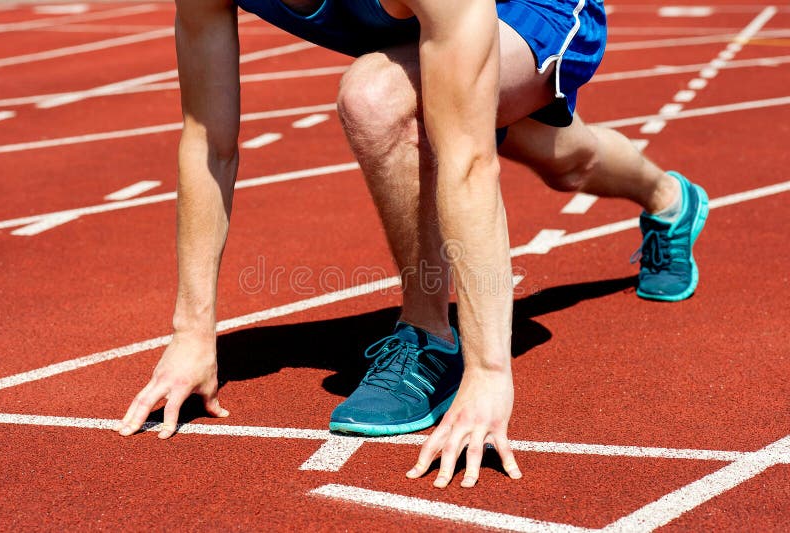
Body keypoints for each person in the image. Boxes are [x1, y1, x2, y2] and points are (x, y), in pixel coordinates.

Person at [116, 0, 709, 491]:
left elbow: (470, 163)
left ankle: (430, 337)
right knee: (566, 160)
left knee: (381, 98)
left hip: (534, 7)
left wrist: (489, 370)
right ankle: (670, 200)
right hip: (422, 25)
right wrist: (193, 336)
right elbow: (207, 140)